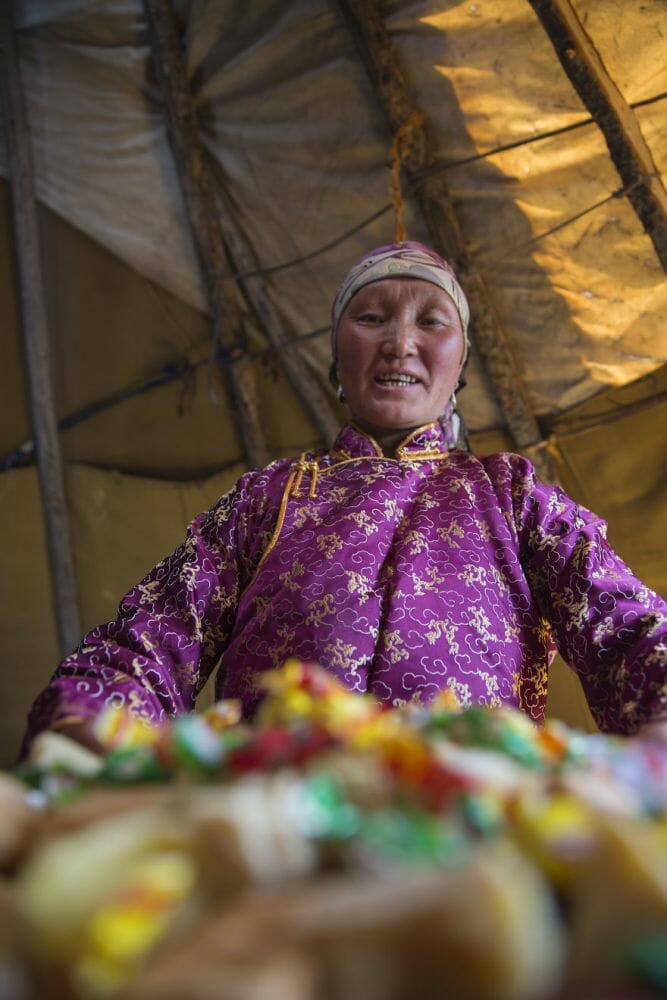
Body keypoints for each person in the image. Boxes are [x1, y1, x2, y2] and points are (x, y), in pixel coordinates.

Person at [23, 242, 667, 753]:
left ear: (460, 366)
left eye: (430, 321)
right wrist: (87, 721)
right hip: (271, 815)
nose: (399, 341)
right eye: (372, 317)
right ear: (336, 360)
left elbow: (629, 629)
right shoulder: (263, 499)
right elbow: (150, 639)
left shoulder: (514, 497)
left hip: (474, 820)